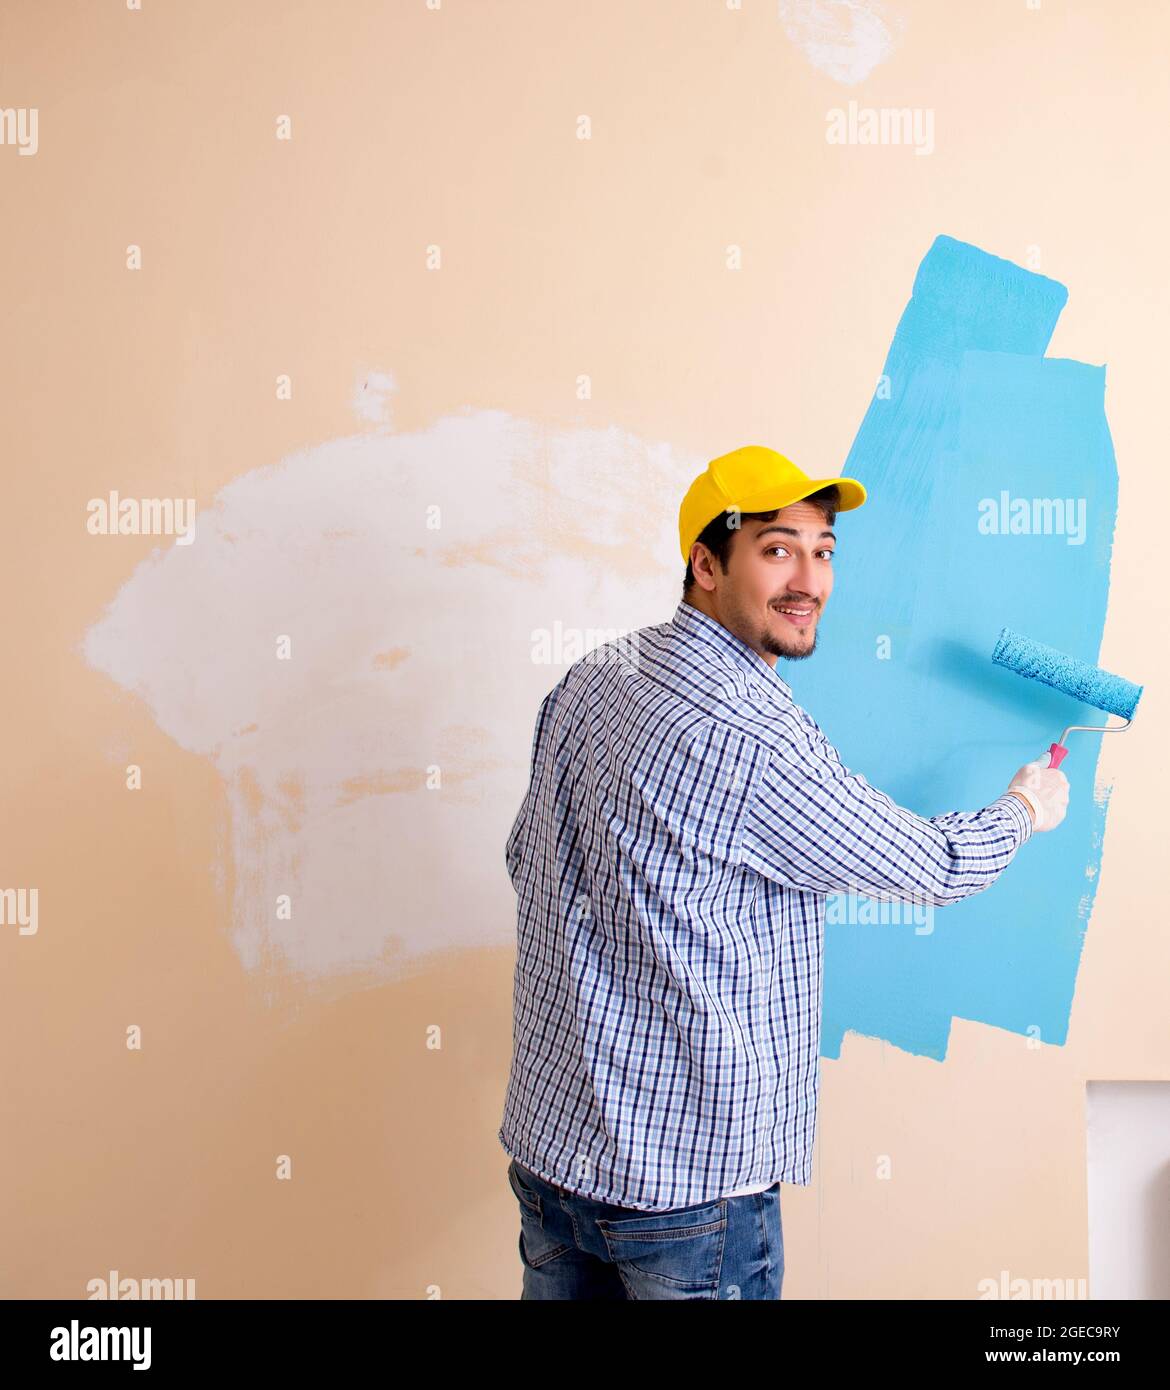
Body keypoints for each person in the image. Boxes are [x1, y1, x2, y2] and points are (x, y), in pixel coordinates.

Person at [498, 444, 1069, 1300]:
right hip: (686, 1198)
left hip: (552, 1166)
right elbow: (932, 863)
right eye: (776, 549)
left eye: (823, 550)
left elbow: (525, 860)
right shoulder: (751, 735)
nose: (809, 580)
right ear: (705, 564)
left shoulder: (595, 676)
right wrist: (1024, 808)